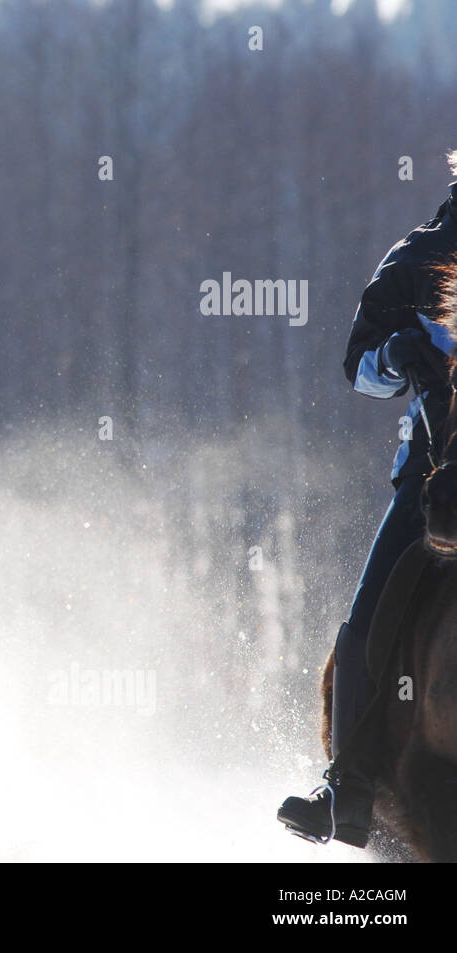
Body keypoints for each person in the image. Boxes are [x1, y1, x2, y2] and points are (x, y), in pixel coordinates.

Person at [277, 173, 457, 848]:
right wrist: (397, 355)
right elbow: (358, 364)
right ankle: (344, 781)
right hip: (437, 473)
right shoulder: (417, 258)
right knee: (366, 618)